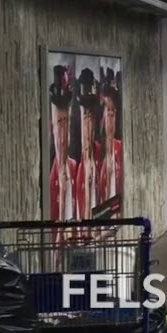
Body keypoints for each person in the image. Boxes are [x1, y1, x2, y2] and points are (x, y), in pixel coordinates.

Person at [48, 65, 79, 222]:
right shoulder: (50, 179)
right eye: (59, 122)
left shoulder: (74, 168)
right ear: (52, 127)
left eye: (65, 121)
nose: (63, 130)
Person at [75, 68, 102, 220]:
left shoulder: (100, 153)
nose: (88, 123)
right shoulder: (76, 167)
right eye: (85, 115)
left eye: (90, 116)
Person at [98, 68, 123, 215]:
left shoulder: (120, 148)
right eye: (108, 111)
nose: (111, 116)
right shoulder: (97, 151)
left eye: (114, 111)